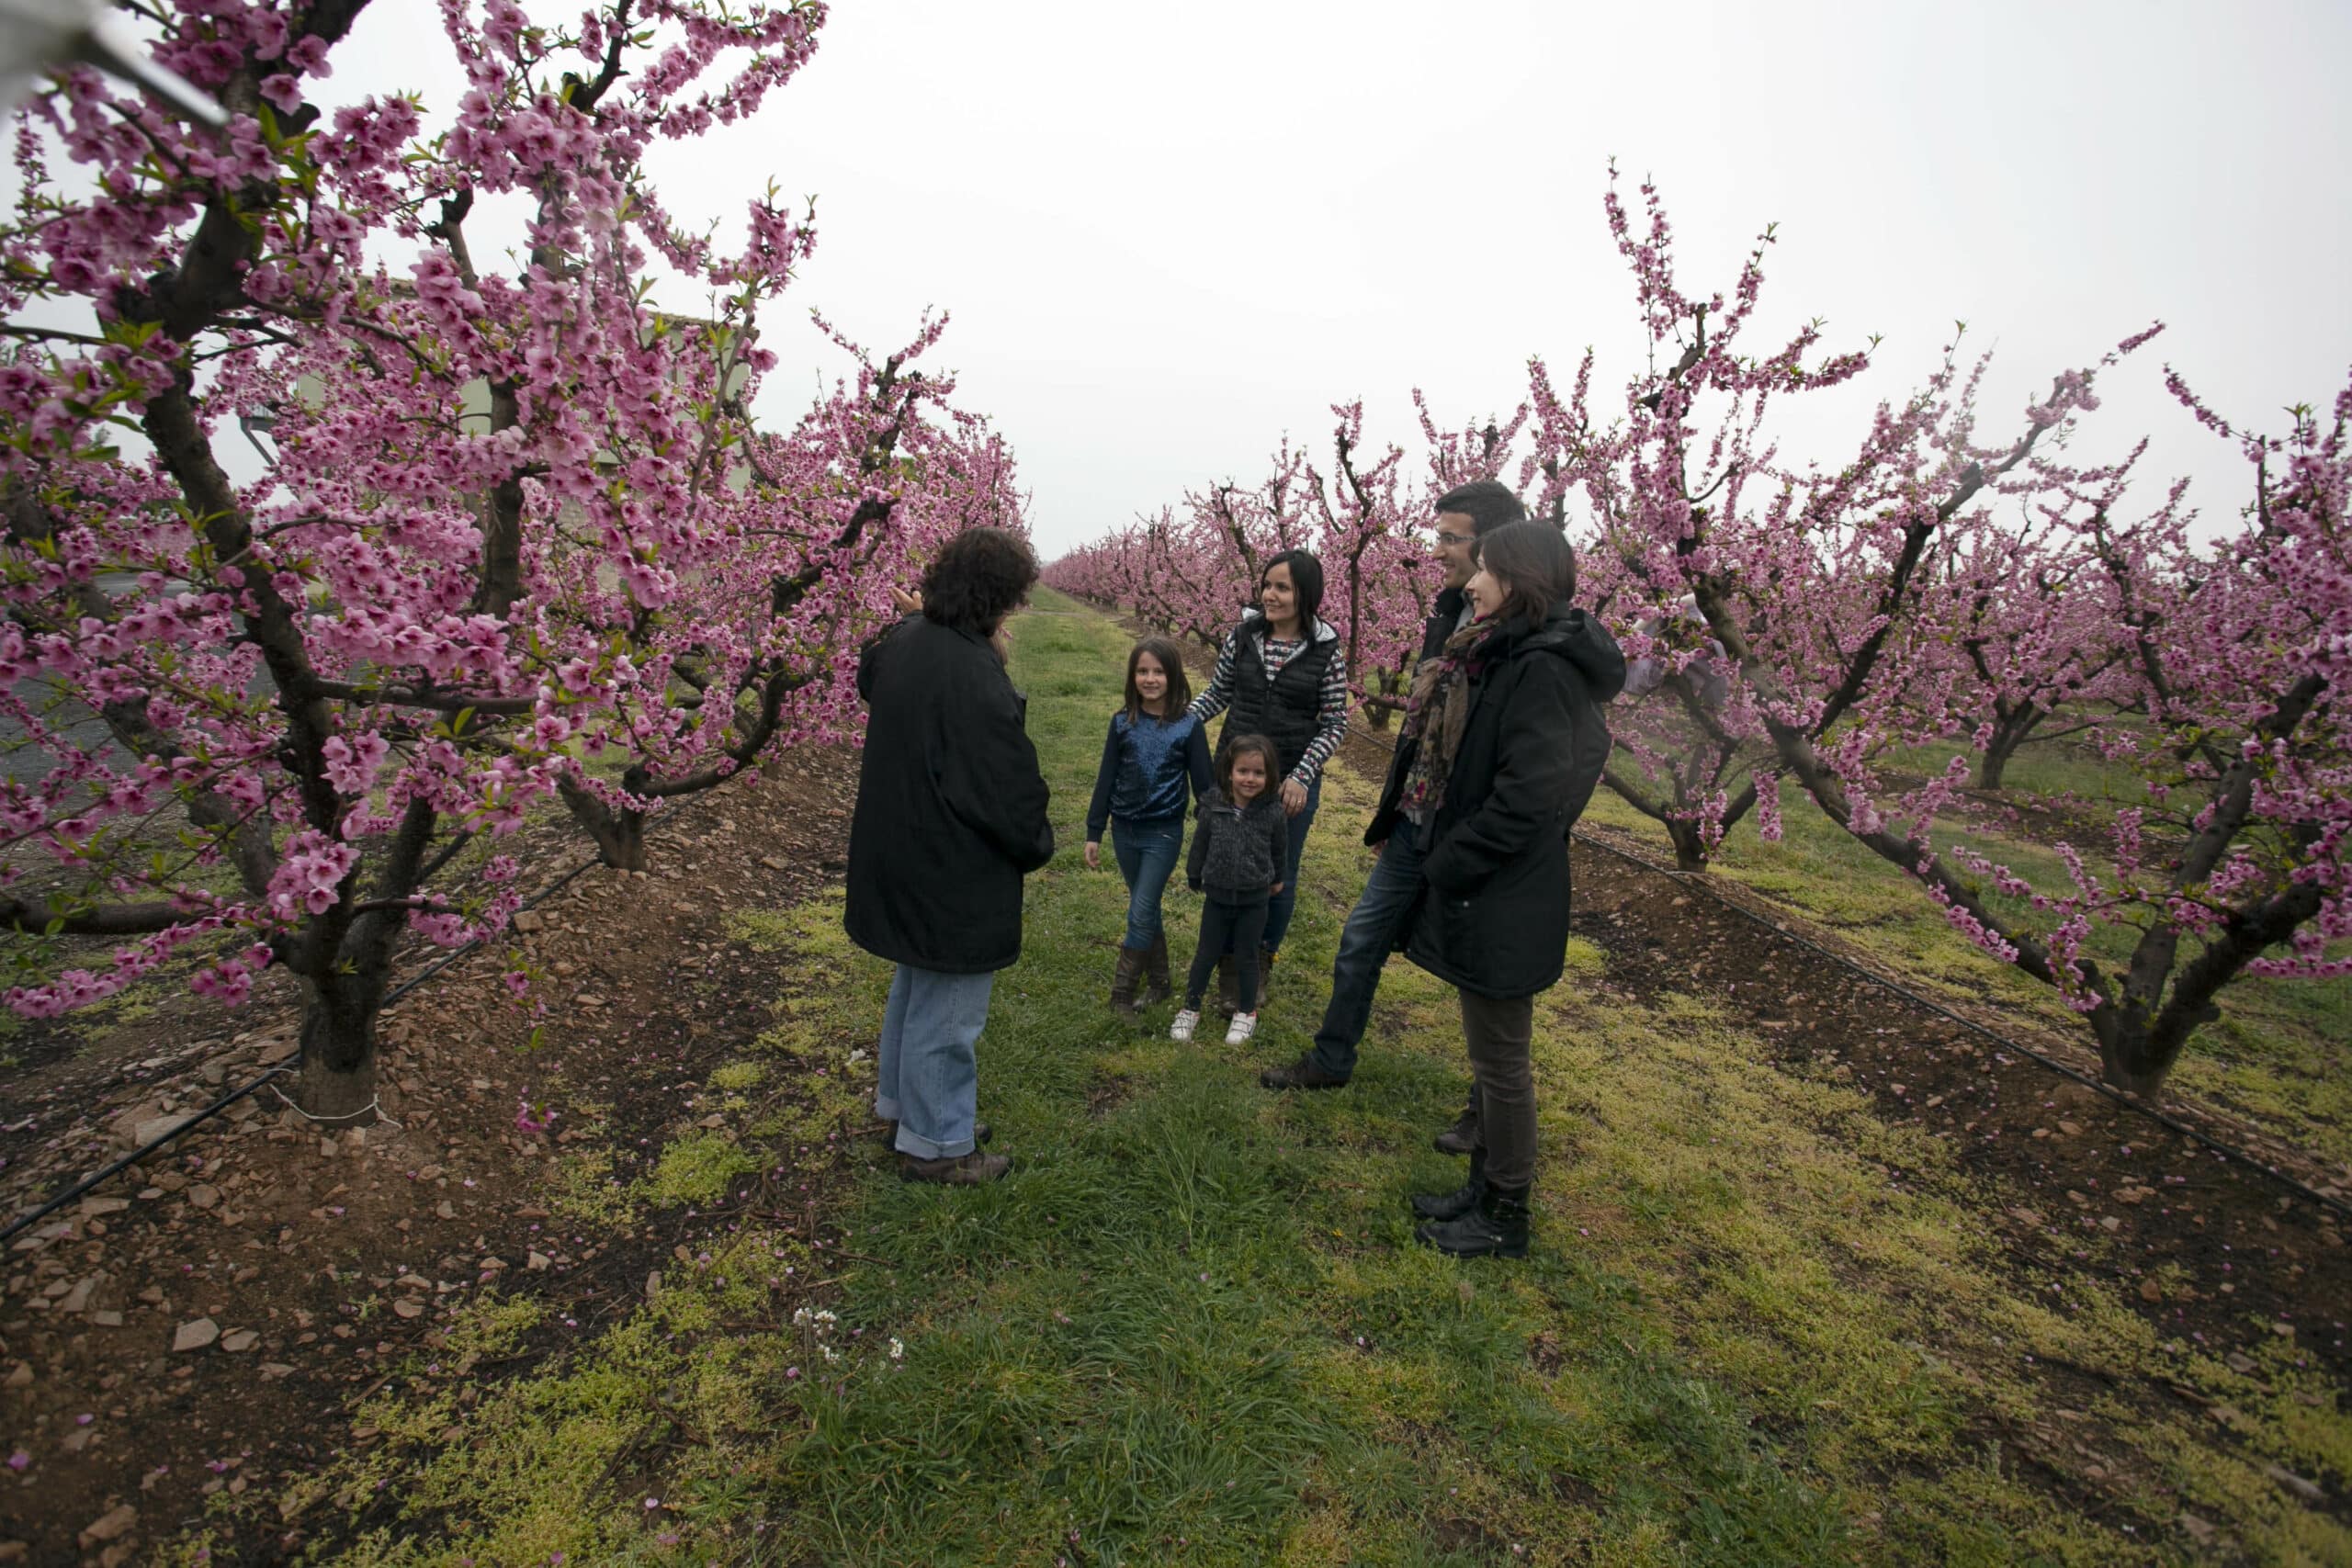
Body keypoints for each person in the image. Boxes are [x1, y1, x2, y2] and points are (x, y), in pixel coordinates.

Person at [1374, 521, 1625, 1258]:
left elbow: (1529, 798)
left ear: (1517, 582)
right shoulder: (1513, 654)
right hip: (1496, 886)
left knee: (1502, 1066)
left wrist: (1448, 860)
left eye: (1485, 569)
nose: (1473, 582)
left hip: (1503, 890)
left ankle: (1505, 1213)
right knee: (1491, 1057)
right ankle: (1482, 1187)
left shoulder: (1540, 669)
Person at [1261, 480, 1525, 1114]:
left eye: (1449, 538)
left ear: (1492, 543)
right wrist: (1396, 807)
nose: (1435, 551)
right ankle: (1331, 1059)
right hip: (1416, 817)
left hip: (1476, 830)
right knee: (1360, 940)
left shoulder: (1526, 635)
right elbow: (1421, 724)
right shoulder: (1448, 611)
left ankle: (1491, 1112)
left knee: (1485, 976)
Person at [843, 527, 1054, 1185]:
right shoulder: (972, 675)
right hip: (950, 869)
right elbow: (1005, 788)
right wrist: (1035, 841)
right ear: (996, 597)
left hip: (900, 848)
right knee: (950, 1009)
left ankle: (905, 1110)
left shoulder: (907, 641)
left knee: (914, 988)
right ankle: (936, 1145)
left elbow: (869, 674)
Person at [1186, 549, 1346, 1006]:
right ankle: (1227, 956)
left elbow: (1335, 721)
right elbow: (1218, 693)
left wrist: (1302, 775)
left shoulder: (1325, 650)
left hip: (1289, 781)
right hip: (1234, 775)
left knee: (1278, 872)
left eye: (1282, 587)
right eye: (1267, 585)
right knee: (1224, 861)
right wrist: (1177, 724)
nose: (1270, 595)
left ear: (1305, 595)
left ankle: (1258, 959)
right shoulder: (1242, 637)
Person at [1083, 637, 1214, 1012]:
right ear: (1132, 676)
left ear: (1173, 676)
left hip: (1163, 833)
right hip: (1124, 831)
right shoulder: (1122, 723)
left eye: (1158, 671)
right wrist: (1094, 831)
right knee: (1147, 905)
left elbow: (1205, 787)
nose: (1150, 679)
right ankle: (1159, 982)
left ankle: (1121, 996)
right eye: (1142, 671)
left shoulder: (1188, 727)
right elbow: (1106, 778)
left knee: (1140, 910)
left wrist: (1214, 835)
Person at [1169, 736, 1289, 1046]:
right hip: (1218, 897)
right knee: (1206, 954)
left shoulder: (1272, 811)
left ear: (1270, 776)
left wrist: (1278, 877)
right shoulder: (1213, 807)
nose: (1250, 779)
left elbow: (1279, 849)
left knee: (1247, 956)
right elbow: (1200, 843)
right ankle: (1190, 1008)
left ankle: (1246, 1012)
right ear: (1229, 771)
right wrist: (1194, 873)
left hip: (1254, 899)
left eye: (1258, 773)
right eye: (1243, 771)